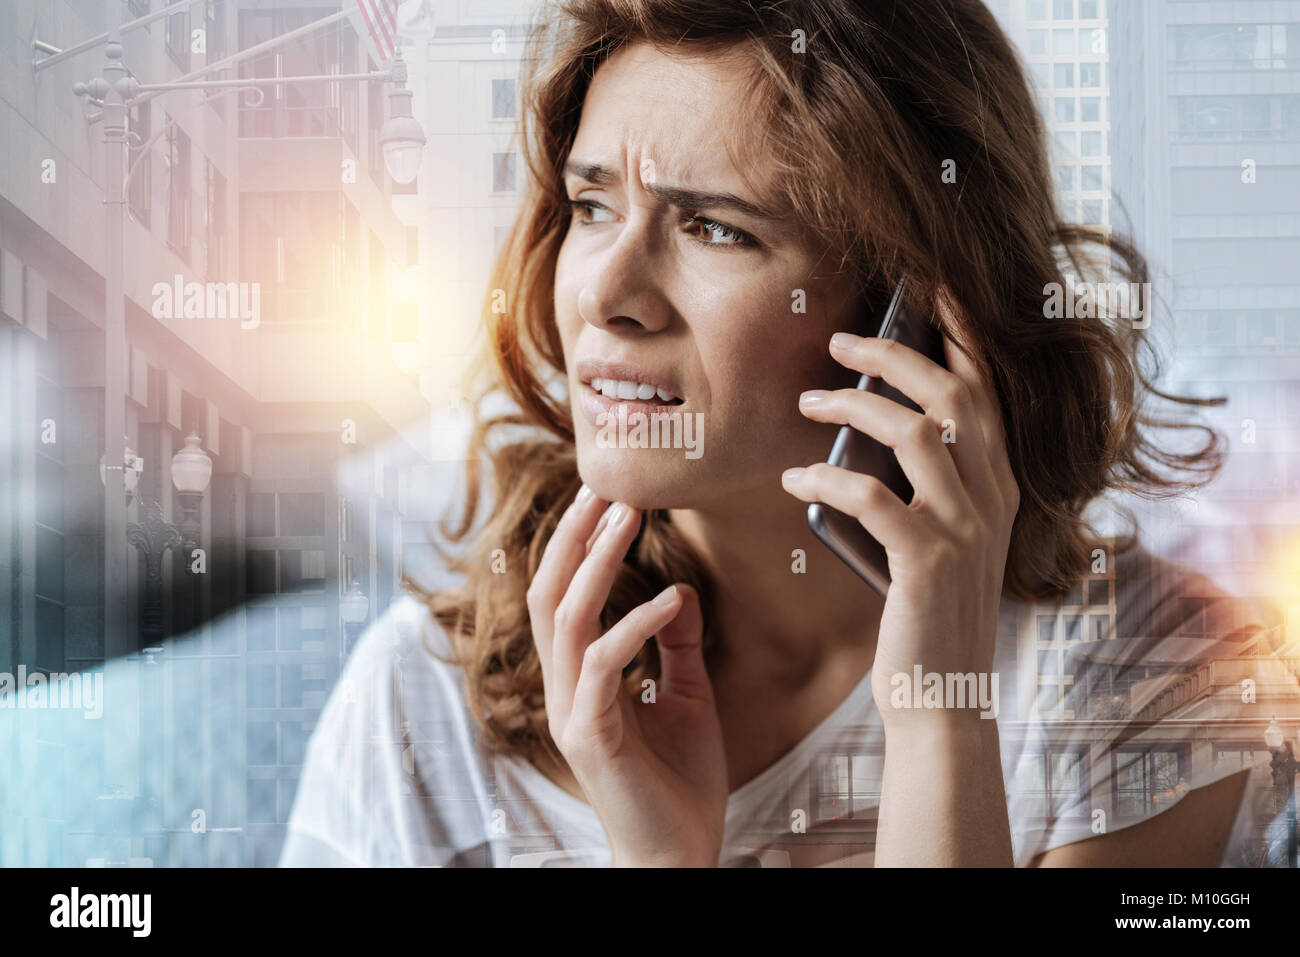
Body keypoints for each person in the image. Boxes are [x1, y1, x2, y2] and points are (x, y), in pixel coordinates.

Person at [280, 0, 1283, 867]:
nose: (605, 294)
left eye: (715, 227)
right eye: (592, 207)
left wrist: (940, 719)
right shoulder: (420, 707)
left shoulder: (1163, 682)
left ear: (916, 313)